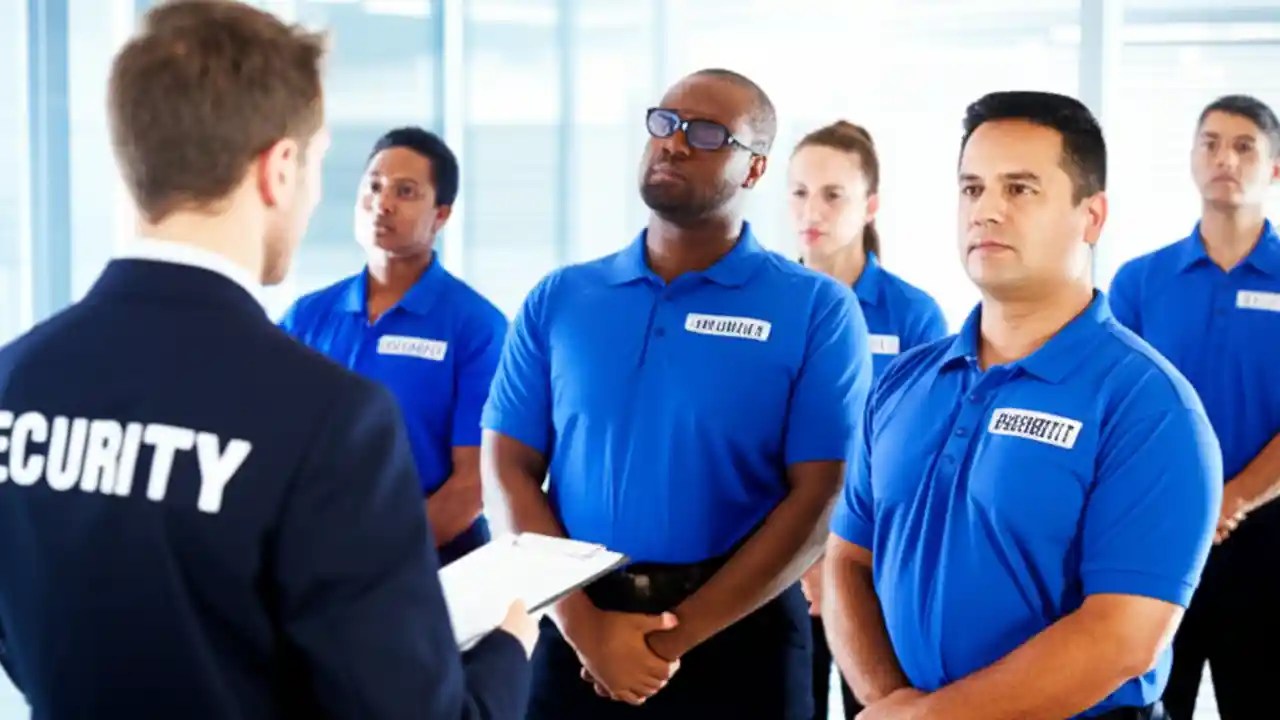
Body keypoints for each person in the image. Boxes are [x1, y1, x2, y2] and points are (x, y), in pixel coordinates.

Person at [0, 2, 535, 718]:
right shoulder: (332, 420)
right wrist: (508, 648)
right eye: (320, 166)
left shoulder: (16, 381)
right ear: (279, 169)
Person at [480, 68, 873, 720]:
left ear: (753, 171)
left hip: (737, 638)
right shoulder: (563, 298)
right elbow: (507, 467)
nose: (675, 142)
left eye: (708, 133)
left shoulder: (815, 309)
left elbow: (823, 492)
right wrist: (585, 629)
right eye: (664, 122)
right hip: (572, 628)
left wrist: (673, 636)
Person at [824, 90, 1222, 720]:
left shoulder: (1150, 407)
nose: (986, 211)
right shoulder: (902, 384)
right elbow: (847, 560)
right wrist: (890, 703)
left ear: (1091, 216)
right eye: (972, 188)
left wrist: (930, 718)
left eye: (1019, 189)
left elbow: (1123, 638)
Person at [1108, 94, 1280, 720]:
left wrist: (1234, 499)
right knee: (1148, 702)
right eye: (1210, 143)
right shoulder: (1139, 281)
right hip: (1157, 533)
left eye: (1243, 147)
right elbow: (1118, 407)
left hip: (1266, 538)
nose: (1224, 158)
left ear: (1274, 169)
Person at [280, 127, 506, 567]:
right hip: (314, 553)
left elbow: (472, 484)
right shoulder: (306, 317)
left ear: (441, 216)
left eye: (406, 192)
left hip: (429, 559)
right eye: (374, 186)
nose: (382, 203)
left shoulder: (477, 327)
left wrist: (373, 556)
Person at [787, 120, 948, 720]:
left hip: (878, 564)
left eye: (833, 194)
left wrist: (844, 556)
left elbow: (923, 453)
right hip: (776, 563)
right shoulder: (767, 304)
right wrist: (801, 556)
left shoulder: (914, 315)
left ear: (870, 205)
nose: (813, 210)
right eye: (800, 191)